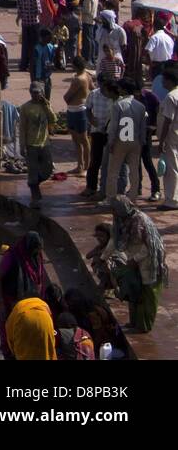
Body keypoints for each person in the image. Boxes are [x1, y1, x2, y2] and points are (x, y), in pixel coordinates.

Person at [107, 196, 167, 332]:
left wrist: (135, 259)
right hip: (134, 262)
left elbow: (150, 246)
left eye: (114, 209)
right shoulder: (122, 220)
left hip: (149, 263)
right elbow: (116, 240)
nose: (113, 212)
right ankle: (134, 323)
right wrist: (105, 257)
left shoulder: (140, 220)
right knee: (134, 292)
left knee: (147, 297)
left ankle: (144, 326)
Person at [0, 232, 46, 359]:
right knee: (9, 328)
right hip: (10, 299)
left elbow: (39, 276)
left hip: (30, 298)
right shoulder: (11, 256)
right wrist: (1, 302)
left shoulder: (37, 255)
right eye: (35, 249)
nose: (37, 252)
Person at [106, 77, 147, 202]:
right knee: (134, 170)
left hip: (121, 140)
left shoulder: (118, 105)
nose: (117, 89)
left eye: (119, 87)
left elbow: (114, 126)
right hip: (135, 141)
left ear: (123, 90)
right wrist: (142, 141)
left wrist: (111, 141)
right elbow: (142, 126)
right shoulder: (140, 106)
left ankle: (111, 198)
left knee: (113, 171)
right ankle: (132, 197)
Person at [18, 83, 54, 208]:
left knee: (47, 170)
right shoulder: (25, 108)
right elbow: (22, 128)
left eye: (38, 93)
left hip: (44, 143)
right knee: (32, 171)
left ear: (42, 93)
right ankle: (35, 196)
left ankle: (33, 183)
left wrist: (47, 106)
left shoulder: (45, 105)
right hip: (31, 144)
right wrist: (22, 145)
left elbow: (53, 119)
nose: (36, 95)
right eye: (33, 93)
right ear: (30, 93)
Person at [6, 290, 56, 360]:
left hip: (24, 320)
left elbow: (9, 331)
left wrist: (13, 351)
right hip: (45, 320)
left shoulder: (19, 306)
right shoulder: (43, 304)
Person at [63, 56, 91, 176]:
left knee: (82, 140)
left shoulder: (78, 79)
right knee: (78, 140)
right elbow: (93, 89)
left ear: (75, 66)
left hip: (77, 110)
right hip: (77, 109)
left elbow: (66, 97)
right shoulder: (87, 76)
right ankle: (81, 166)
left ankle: (85, 166)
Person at [155, 65, 178, 209]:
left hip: (171, 136)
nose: (162, 82)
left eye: (164, 80)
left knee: (171, 169)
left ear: (169, 81)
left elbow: (168, 120)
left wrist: (161, 140)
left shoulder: (170, 97)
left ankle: (171, 201)